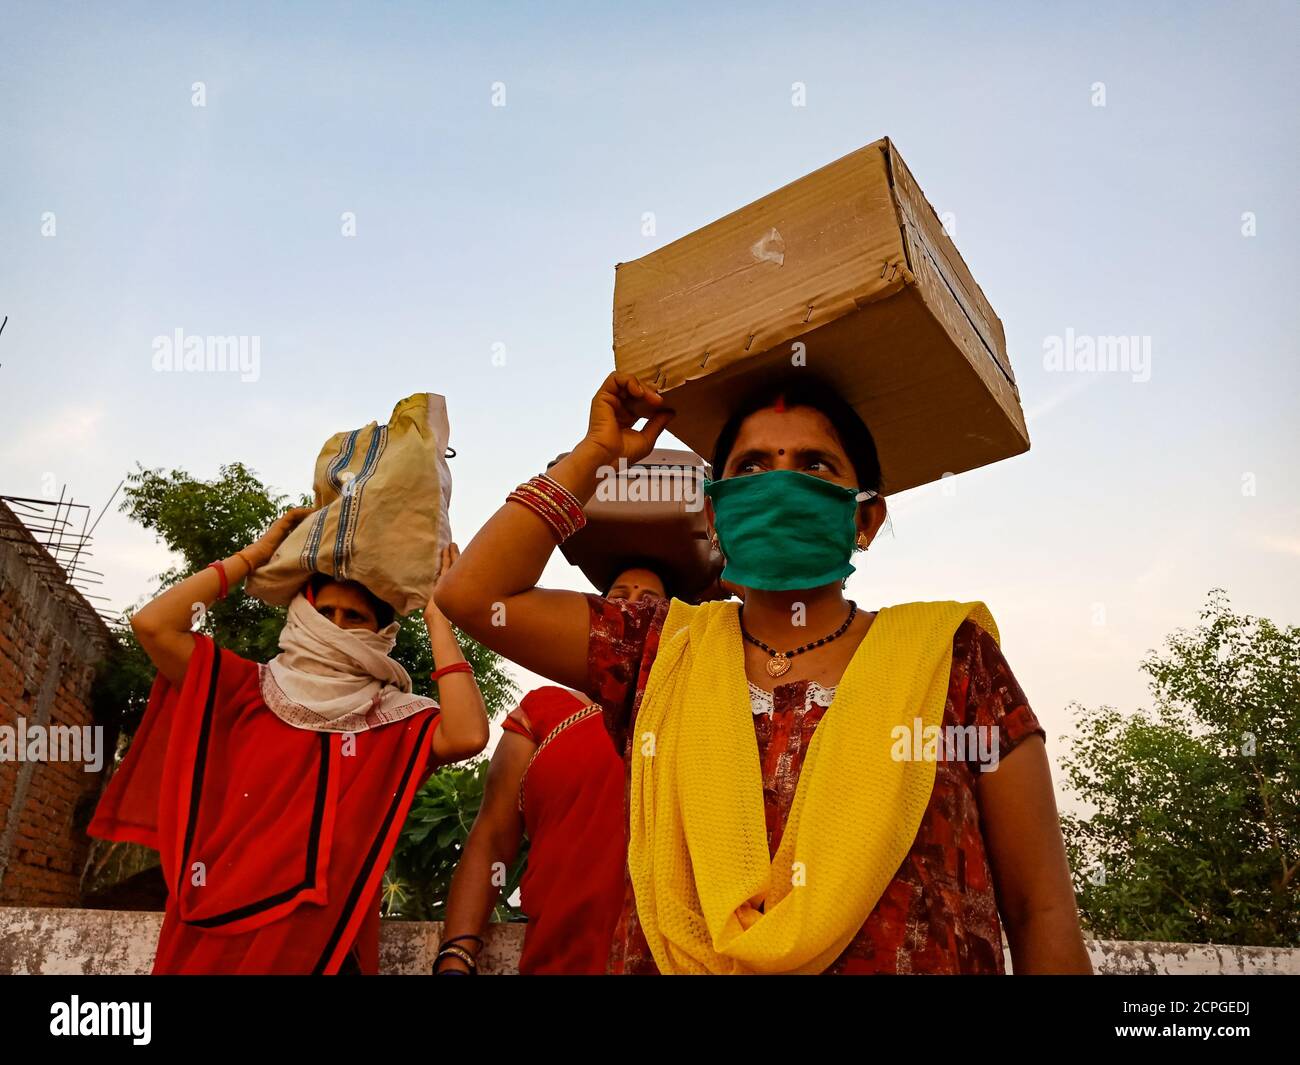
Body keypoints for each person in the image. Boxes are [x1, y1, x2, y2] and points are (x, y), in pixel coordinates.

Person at [435, 372, 1093, 975]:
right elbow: (473, 595)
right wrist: (595, 455)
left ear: (866, 517)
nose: (780, 482)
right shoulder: (657, 651)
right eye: (752, 465)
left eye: (814, 463)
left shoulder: (953, 657)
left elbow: (1041, 912)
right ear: (717, 514)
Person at [90, 509, 489, 974]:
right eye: (325, 613)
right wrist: (253, 556)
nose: (336, 626)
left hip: (324, 945)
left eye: (354, 617)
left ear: (380, 634)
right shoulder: (244, 687)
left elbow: (467, 734)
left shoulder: (391, 718)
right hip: (217, 927)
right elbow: (154, 626)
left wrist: (438, 617)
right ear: (301, 615)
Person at [435, 563, 669, 975]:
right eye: (618, 597)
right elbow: (492, 839)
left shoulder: (698, 707)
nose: (632, 608)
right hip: (557, 957)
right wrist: (457, 954)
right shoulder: (542, 711)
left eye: (649, 602)